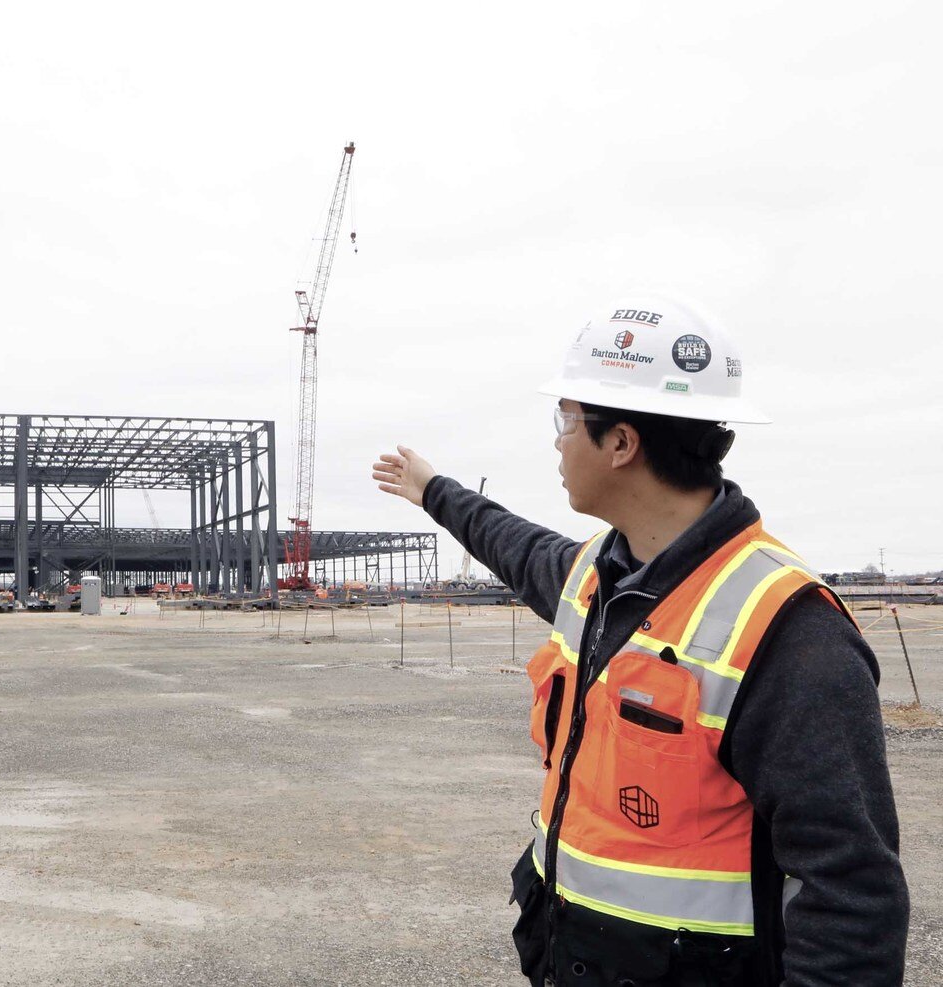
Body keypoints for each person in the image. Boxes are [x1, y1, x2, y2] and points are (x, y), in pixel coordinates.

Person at [372, 295, 908, 986]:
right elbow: (512, 542)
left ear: (621, 443)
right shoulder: (598, 574)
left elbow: (852, 899)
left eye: (566, 420)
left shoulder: (789, 632)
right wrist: (433, 490)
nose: (557, 439)